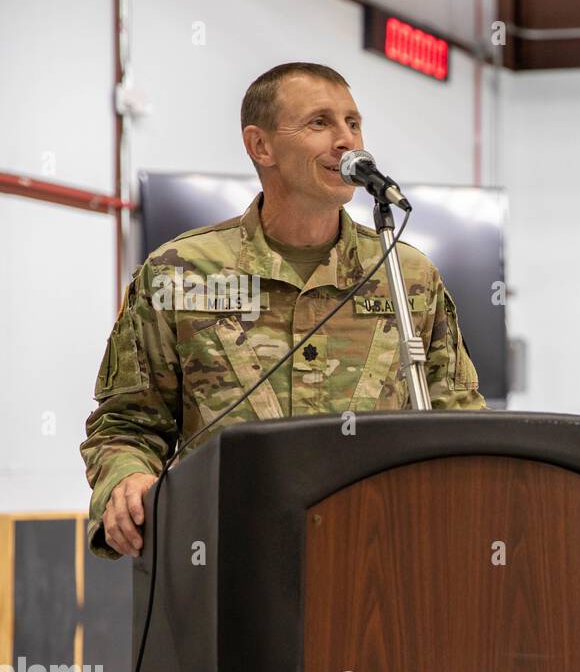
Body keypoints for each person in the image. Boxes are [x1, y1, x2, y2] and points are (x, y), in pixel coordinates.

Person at [81, 62, 486, 561]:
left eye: (353, 123)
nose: (347, 141)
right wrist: (128, 479)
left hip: (378, 562)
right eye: (320, 123)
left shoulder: (408, 275)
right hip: (224, 555)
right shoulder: (179, 273)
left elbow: (462, 426)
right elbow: (126, 425)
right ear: (261, 146)